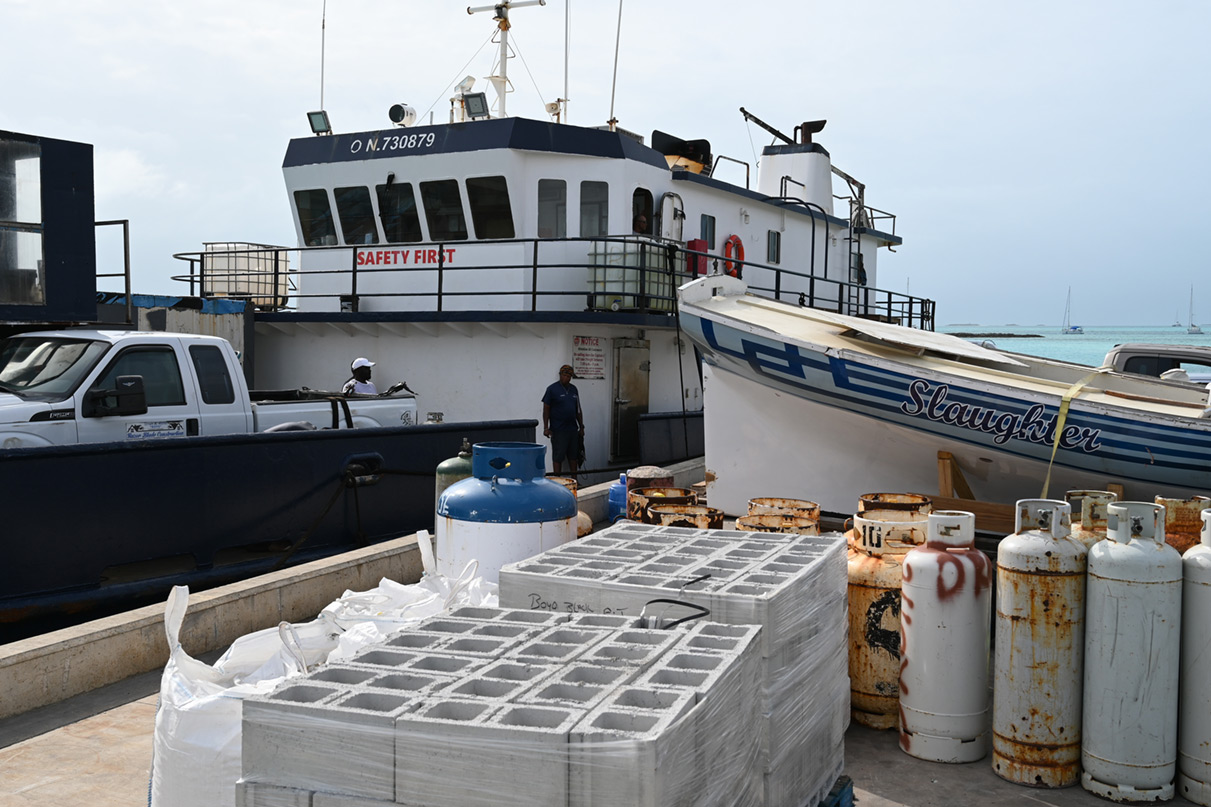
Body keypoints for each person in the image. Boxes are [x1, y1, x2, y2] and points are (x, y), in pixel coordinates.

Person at [542, 364, 584, 474]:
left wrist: (581, 427)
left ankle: (574, 480)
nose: (566, 378)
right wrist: (546, 427)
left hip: (572, 429)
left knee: (573, 455)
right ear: (560, 375)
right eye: (564, 375)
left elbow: (578, 409)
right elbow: (546, 409)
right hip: (558, 429)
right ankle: (557, 480)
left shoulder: (574, 389)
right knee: (558, 456)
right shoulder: (552, 389)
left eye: (569, 376)